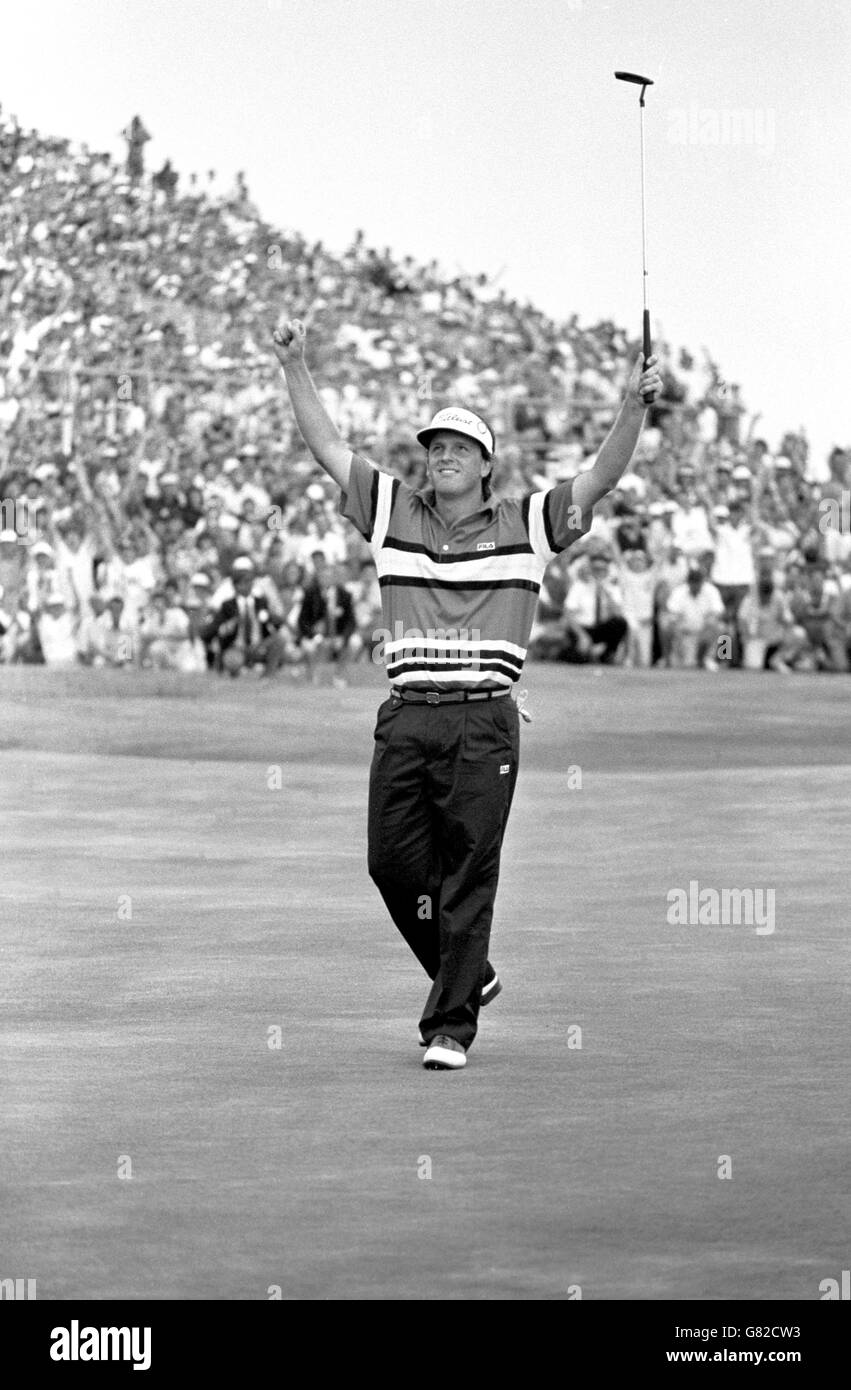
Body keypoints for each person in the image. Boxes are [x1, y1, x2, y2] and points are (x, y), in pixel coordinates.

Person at [272, 316, 662, 1070]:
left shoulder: (528, 523)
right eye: (435, 448)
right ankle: (469, 975)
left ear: (486, 465)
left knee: (468, 874)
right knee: (391, 864)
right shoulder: (393, 513)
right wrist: (295, 364)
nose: (443, 456)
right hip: (408, 718)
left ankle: (449, 1026)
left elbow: (601, 477)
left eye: (459, 449)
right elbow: (327, 447)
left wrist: (633, 405)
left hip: (483, 721)